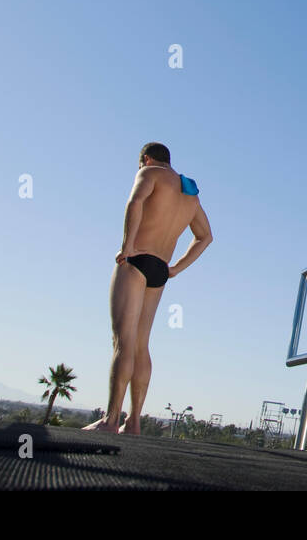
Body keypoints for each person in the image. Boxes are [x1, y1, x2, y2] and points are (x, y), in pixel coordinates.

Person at [83, 142, 212, 434]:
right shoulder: (188, 190)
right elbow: (205, 236)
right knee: (141, 343)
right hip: (159, 269)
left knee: (123, 341)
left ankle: (110, 419)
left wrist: (127, 245)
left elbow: (135, 202)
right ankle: (134, 422)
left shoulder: (150, 172)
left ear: (146, 159)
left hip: (137, 259)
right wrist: (176, 267)